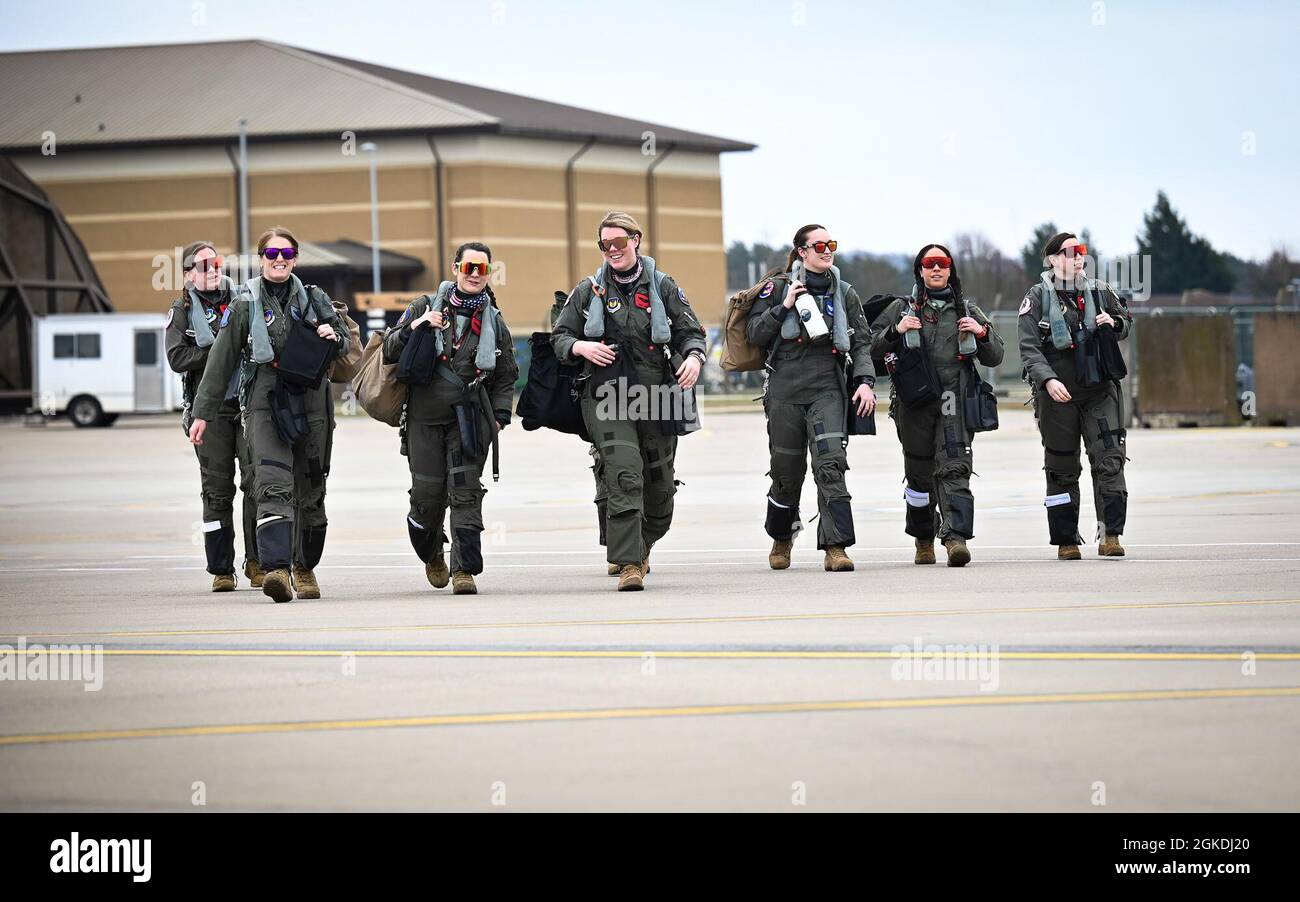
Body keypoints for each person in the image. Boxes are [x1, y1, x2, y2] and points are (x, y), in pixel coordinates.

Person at [188, 226, 350, 602]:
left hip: (311, 400)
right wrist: (203, 414)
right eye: (272, 255)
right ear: (261, 259)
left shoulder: (315, 298)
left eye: (287, 255)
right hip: (266, 399)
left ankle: (305, 568)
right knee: (272, 482)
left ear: (295, 259)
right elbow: (220, 360)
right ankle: (276, 569)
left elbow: (344, 344)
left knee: (312, 488)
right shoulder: (244, 305)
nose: (280, 261)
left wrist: (331, 334)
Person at [551, 211, 706, 591]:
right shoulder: (588, 290)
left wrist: (694, 358)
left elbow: (691, 331)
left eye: (619, 242)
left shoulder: (665, 286)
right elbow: (559, 338)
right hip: (606, 395)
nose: (612, 250)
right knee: (625, 473)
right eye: (605, 244)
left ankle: (643, 542)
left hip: (658, 394)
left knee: (661, 487)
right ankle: (629, 563)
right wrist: (581, 346)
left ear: (636, 240)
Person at [383, 242, 518, 595]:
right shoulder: (423, 306)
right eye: (469, 267)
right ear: (456, 268)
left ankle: (464, 570)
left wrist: (500, 416)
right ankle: (432, 555)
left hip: (470, 421)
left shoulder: (494, 320)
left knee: (466, 492)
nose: (475, 275)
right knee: (427, 497)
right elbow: (389, 348)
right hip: (424, 420)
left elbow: (506, 375)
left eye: (482, 269)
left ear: (489, 274)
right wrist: (418, 325)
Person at [745, 224, 876, 571]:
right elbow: (754, 333)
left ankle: (836, 547)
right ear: (801, 251)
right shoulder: (776, 288)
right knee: (786, 472)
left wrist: (864, 381)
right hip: (785, 388)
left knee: (831, 464)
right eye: (819, 245)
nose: (827, 250)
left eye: (831, 244)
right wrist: (784, 305)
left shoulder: (844, 293)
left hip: (827, 388)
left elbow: (861, 343)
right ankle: (782, 539)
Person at [870, 245, 1004, 566]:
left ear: (950, 269)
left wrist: (981, 333)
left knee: (955, 466)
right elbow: (869, 347)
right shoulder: (901, 309)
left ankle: (955, 538)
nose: (936, 269)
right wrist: (895, 331)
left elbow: (996, 355)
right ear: (920, 270)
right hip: (914, 401)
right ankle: (923, 539)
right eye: (929, 264)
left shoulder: (966, 309)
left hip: (952, 399)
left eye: (942, 264)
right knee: (918, 475)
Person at [1018, 231, 1132, 559]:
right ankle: (1066, 540)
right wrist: (1048, 380)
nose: (1077, 257)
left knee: (1109, 459)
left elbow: (1127, 322)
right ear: (1053, 259)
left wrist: (1115, 322)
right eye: (1069, 252)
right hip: (1058, 392)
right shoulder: (1037, 297)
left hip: (1099, 388)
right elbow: (1028, 347)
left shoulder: (1100, 291)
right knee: (1061, 467)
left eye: (1081, 251)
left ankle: (1110, 534)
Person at [165, 240, 259, 590]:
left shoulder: (244, 301)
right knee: (217, 493)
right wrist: (222, 348)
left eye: (216, 263)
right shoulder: (181, 311)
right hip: (211, 412)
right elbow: (177, 358)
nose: (213, 269)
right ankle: (221, 569)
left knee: (256, 485)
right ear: (189, 275)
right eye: (204, 266)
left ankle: (257, 563)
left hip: (249, 406)